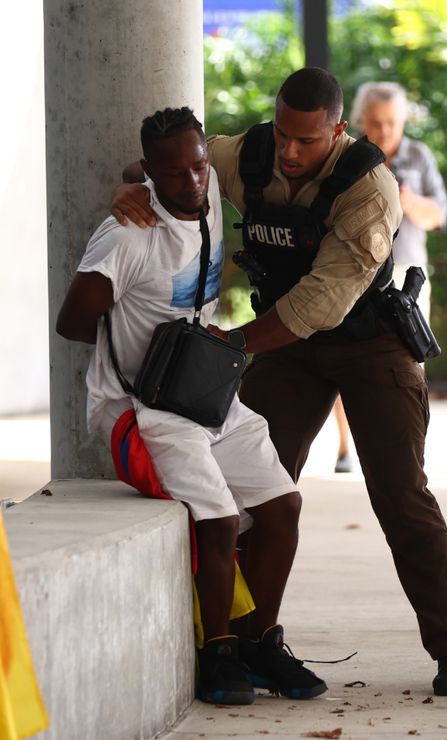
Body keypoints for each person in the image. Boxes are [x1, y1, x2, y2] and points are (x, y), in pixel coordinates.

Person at [109, 68, 447, 697]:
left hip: (367, 344)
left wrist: (228, 346)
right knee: (250, 490)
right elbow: (173, 166)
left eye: (305, 141)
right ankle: (246, 640)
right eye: (283, 133)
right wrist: (134, 187)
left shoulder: (371, 187)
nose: (288, 151)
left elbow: (322, 303)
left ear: (337, 131)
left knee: (401, 497)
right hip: (288, 350)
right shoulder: (248, 155)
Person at [56, 107, 323, 706]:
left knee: (282, 506)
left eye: (199, 167)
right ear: (151, 175)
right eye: (173, 174)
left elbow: (169, 168)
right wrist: (136, 343)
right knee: (221, 518)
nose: (192, 182)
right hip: (144, 406)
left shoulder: (209, 203)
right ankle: (217, 652)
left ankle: (261, 643)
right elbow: (72, 321)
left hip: (203, 389)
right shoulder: (128, 235)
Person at [323, 81, 447, 474]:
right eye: (376, 123)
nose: (383, 131)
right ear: (362, 120)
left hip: (404, 276)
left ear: (404, 120)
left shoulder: (419, 155)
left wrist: (407, 201)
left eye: (392, 122)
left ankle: (410, 451)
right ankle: (348, 448)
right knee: (347, 358)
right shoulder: (347, 155)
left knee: (408, 364)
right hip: (353, 272)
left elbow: (439, 216)